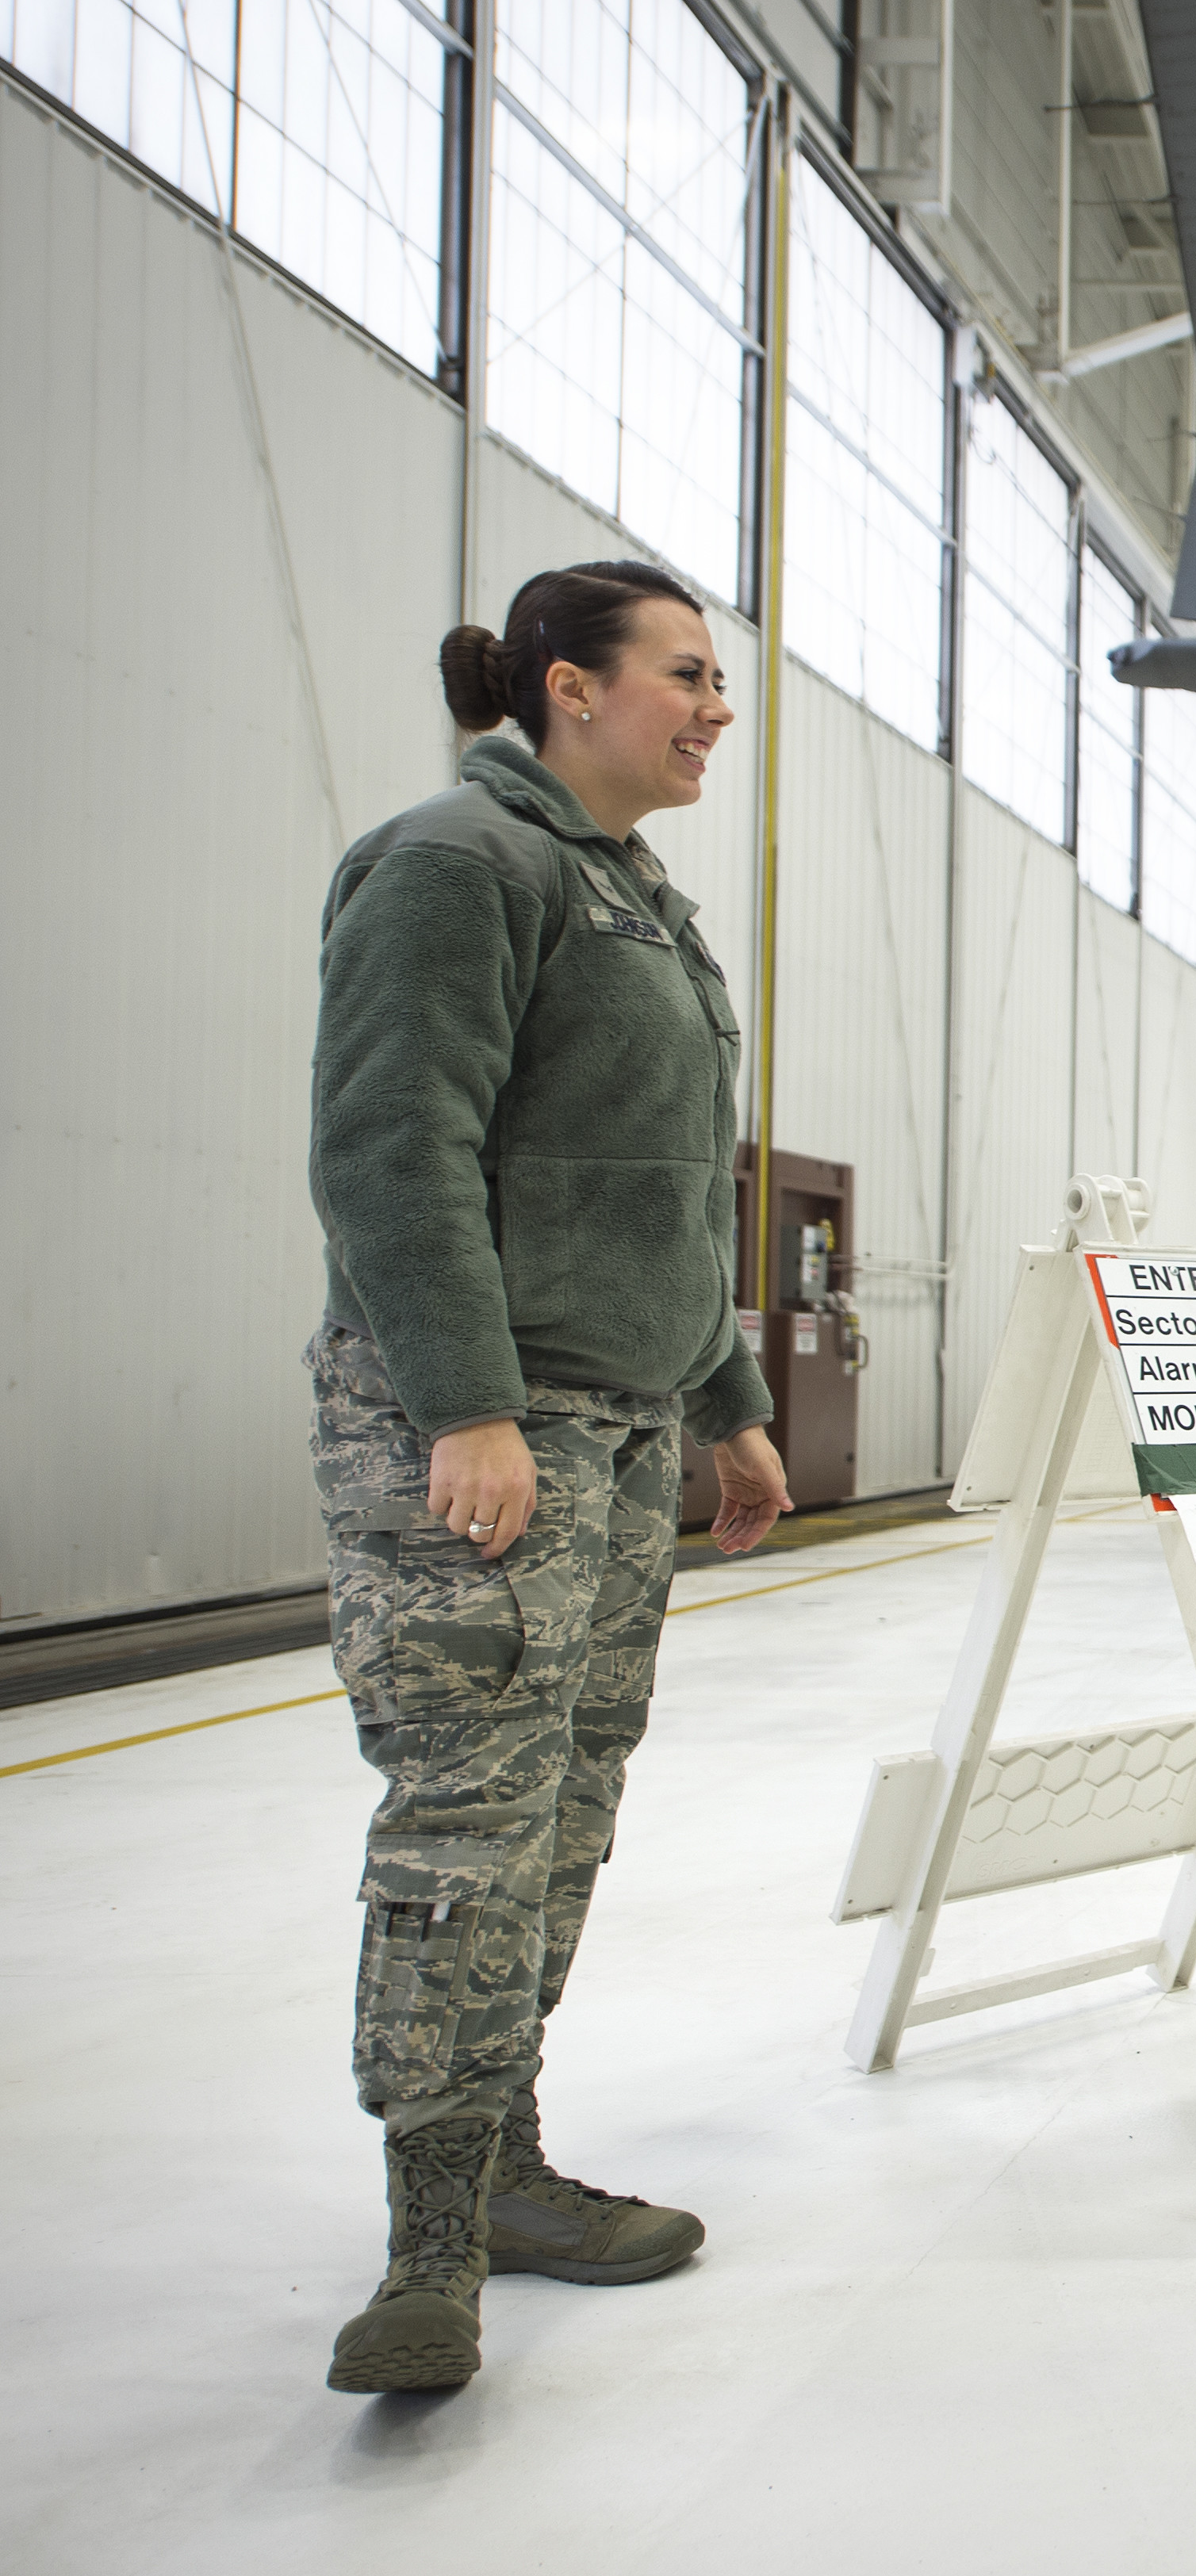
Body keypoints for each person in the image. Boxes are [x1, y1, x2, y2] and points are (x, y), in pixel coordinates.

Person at [309, 560, 792, 2394]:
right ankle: (428, 2248)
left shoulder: (636, 898)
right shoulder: (460, 863)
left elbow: (666, 1188)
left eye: (717, 678)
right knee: (469, 1812)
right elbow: (391, 1147)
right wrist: (464, 1404)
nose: (715, 707)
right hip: (486, 1427)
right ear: (567, 687)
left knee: (566, 1800)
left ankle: (501, 2162)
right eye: (685, 672)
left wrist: (728, 1396)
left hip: (621, 1422)